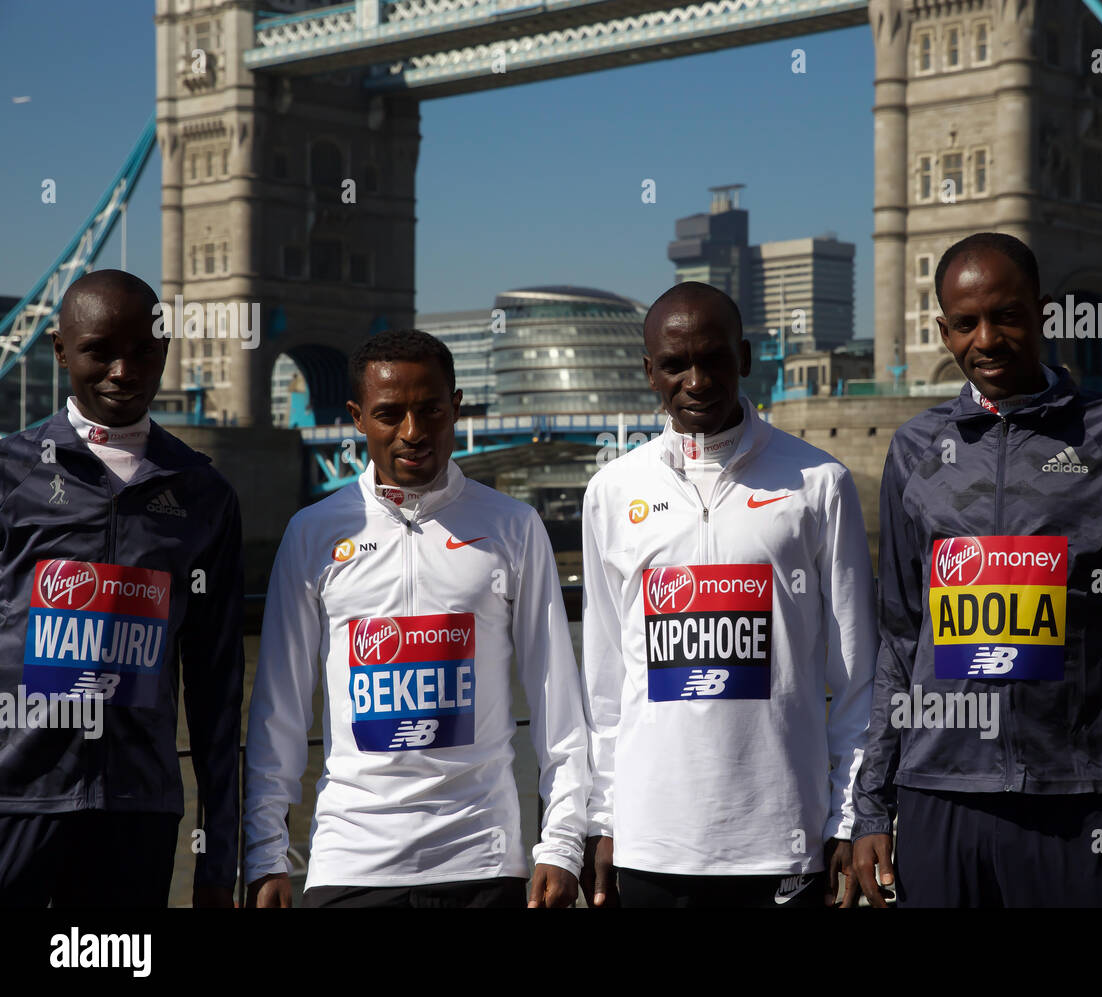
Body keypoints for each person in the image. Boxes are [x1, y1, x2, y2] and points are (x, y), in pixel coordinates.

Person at [852, 232, 1102, 908]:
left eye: (1007, 315)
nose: (987, 339)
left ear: (1043, 312)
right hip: (937, 794)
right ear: (942, 329)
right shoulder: (914, 448)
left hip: (1079, 802)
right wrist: (871, 806)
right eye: (965, 323)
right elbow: (898, 640)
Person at [243, 329, 588, 908]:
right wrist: (264, 851)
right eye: (388, 414)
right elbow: (279, 707)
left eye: (430, 410)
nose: (412, 431)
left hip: (481, 859)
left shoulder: (513, 526)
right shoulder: (313, 532)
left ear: (456, 407)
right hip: (349, 861)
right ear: (356, 416)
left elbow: (557, 697)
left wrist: (562, 842)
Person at [580, 282, 877, 908]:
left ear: (743, 358)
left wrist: (847, 817)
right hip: (650, 846)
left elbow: (857, 676)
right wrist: (602, 820)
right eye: (674, 365)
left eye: (713, 358)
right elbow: (605, 685)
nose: (696, 380)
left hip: (784, 841)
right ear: (649, 373)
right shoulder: (611, 493)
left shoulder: (820, 484)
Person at [0, 269, 244, 907]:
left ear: (165, 350)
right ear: (59, 351)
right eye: (99, 350)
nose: (122, 369)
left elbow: (218, 696)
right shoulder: (7, 477)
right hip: (13, 804)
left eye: (142, 350)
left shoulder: (203, 495)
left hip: (138, 814)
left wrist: (220, 857)